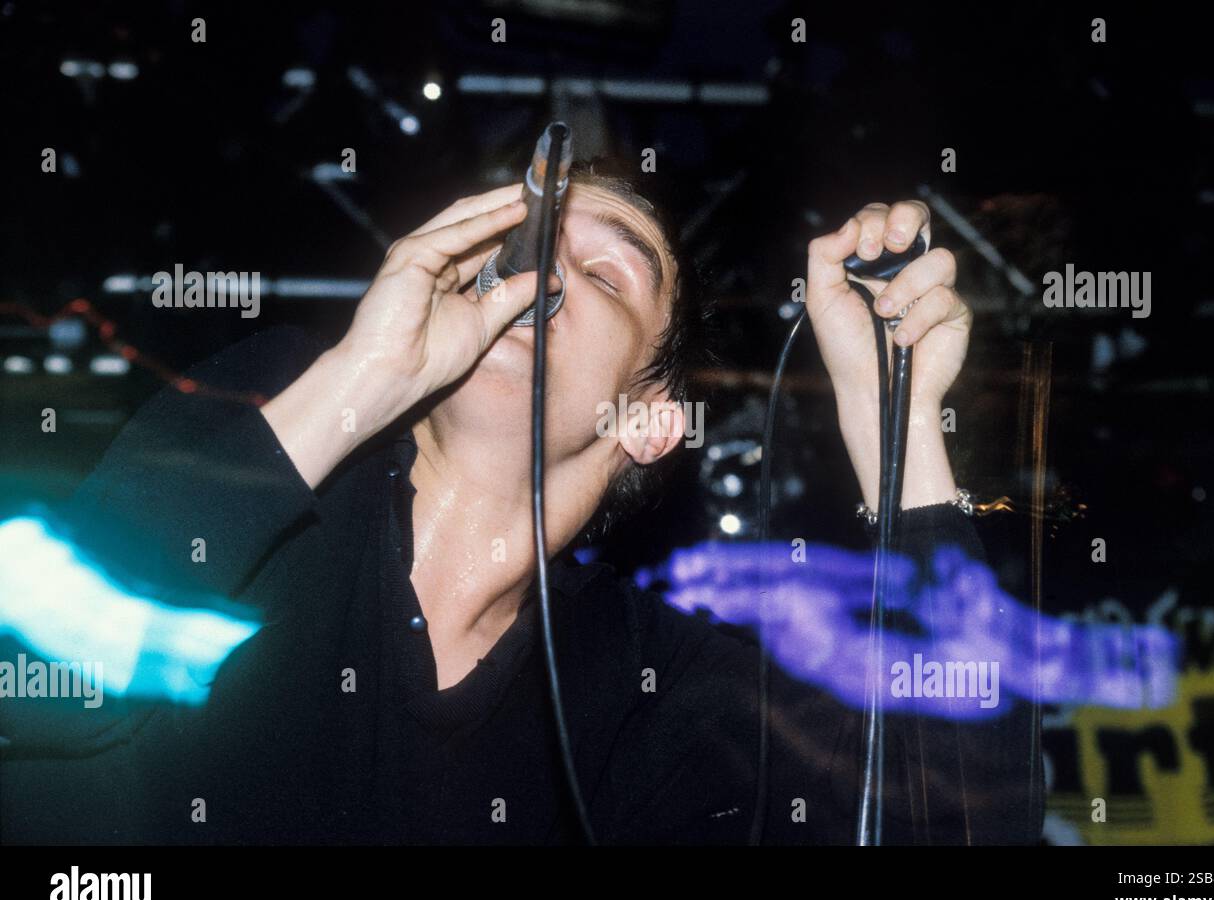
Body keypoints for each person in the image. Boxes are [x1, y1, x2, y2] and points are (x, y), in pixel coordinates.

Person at [4, 164, 1043, 844]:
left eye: (603, 270)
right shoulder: (270, 440)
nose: (539, 274)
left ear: (648, 419)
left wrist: (893, 418)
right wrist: (360, 380)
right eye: (525, 243)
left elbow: (965, 821)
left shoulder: (652, 688)